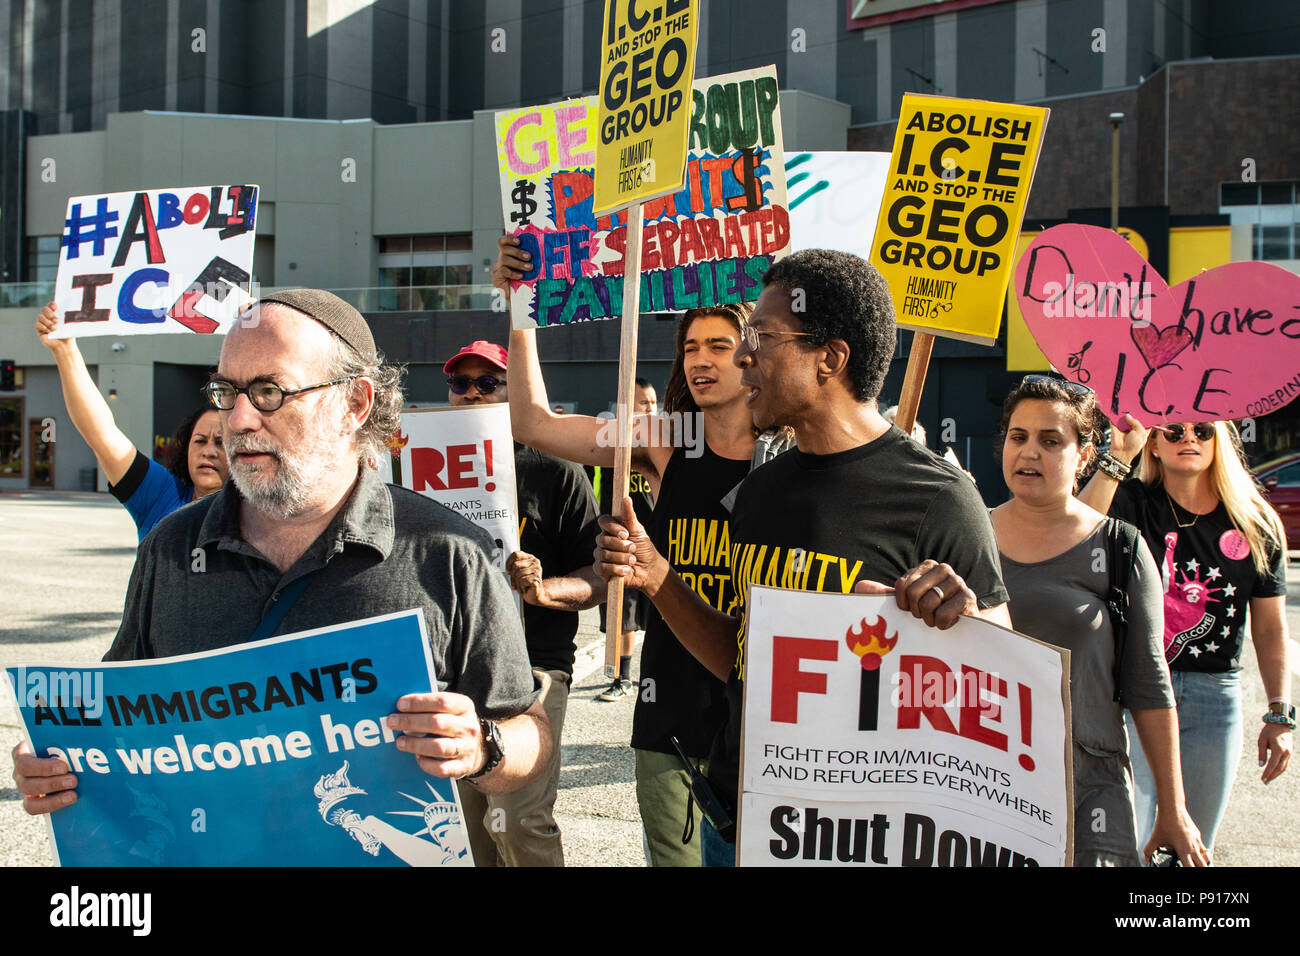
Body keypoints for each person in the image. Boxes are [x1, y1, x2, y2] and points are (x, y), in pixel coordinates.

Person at [13, 289, 550, 819]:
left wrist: (482, 746)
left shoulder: (449, 553)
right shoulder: (171, 547)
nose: (240, 419)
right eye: (228, 390)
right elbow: (116, 717)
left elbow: (530, 730)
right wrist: (58, 760)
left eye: (270, 390)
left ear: (355, 404)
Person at [595, 249, 1011, 867]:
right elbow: (740, 660)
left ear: (831, 359)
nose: (742, 356)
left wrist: (959, 620)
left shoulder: (938, 499)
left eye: (761, 337)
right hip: (738, 819)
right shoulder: (760, 491)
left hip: (857, 837)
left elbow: (998, 685)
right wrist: (657, 577)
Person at [494, 233, 762, 866]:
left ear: (754, 355)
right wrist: (520, 309)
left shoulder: (792, 449)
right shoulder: (664, 437)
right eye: (690, 346)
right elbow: (533, 423)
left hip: (761, 693)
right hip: (671, 694)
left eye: (719, 346)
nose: (701, 359)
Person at [990, 375, 1208, 866]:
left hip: (1089, 788)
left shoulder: (1120, 547)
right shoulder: (965, 536)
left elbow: (1150, 684)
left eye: (1051, 441)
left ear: (1084, 455)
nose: (1029, 453)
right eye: (1018, 436)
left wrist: (1172, 808)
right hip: (983, 779)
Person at [1079, 414, 1293, 854]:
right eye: (1174, 431)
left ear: (1221, 442)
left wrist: (1279, 714)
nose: (1189, 438)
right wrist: (1118, 456)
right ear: (1154, 444)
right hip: (1134, 691)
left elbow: (1270, 628)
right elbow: (1075, 528)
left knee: (1192, 848)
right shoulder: (1132, 501)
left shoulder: (1255, 521)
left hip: (1214, 699)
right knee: (1128, 843)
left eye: (1203, 430)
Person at [444, 339, 605, 867]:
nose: (471, 393)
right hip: (449, 673)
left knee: (518, 821)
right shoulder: (423, 463)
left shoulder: (558, 469)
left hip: (531, 669)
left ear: (519, 392)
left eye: (488, 382)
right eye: (460, 384)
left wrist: (543, 589)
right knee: (463, 832)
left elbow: (598, 578)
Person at [35, 301, 228, 538]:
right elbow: (102, 435)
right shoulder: (161, 495)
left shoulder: (262, 516)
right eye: (199, 441)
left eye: (220, 442)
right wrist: (64, 350)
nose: (208, 451)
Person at [594, 377, 658, 701]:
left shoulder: (663, 445)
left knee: (651, 619)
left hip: (657, 547)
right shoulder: (610, 445)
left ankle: (638, 676)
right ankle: (621, 677)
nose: (650, 408)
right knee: (622, 615)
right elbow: (595, 490)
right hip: (621, 545)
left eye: (653, 402)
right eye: (643, 403)